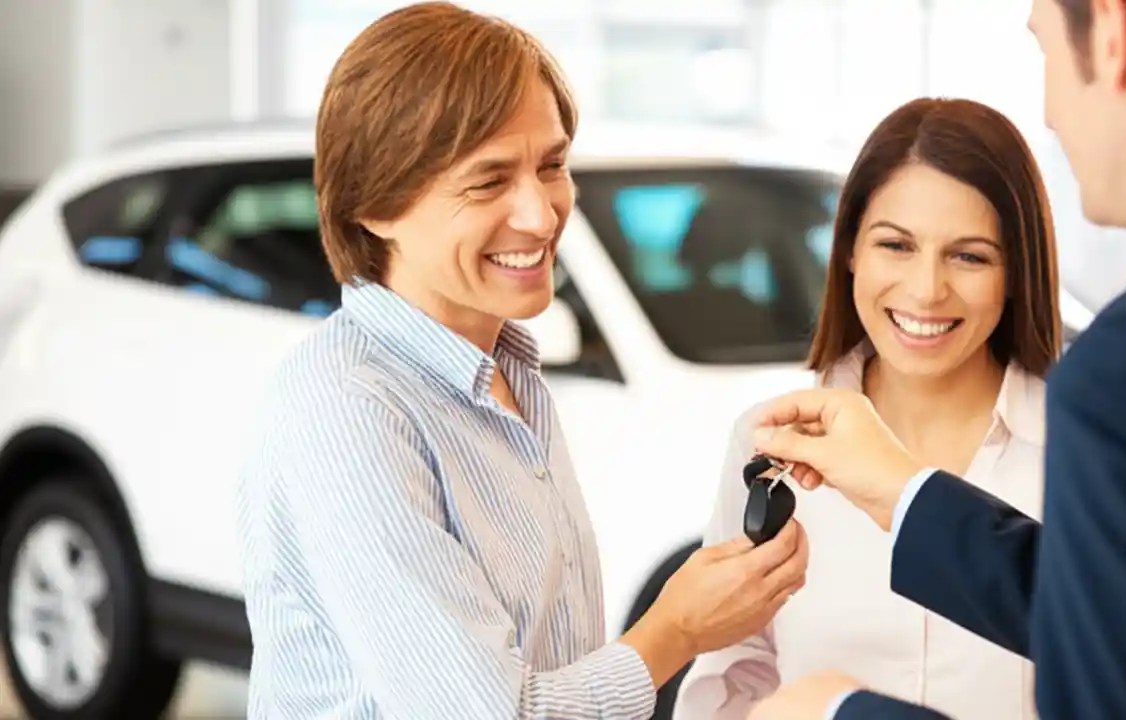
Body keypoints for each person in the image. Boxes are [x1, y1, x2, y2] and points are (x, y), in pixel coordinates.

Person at [234, 4, 809, 718]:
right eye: (488, 181)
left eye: (553, 166)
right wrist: (677, 629)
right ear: (375, 207)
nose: (541, 216)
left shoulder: (508, 372)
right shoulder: (346, 405)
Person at [745, 0, 1126, 718]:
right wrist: (905, 493)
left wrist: (841, 713)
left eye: (1044, 51)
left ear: (1113, 33)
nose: (1051, 114)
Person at [671, 97, 1060, 720]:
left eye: (969, 256)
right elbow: (731, 681)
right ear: (849, 248)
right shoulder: (771, 442)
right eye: (896, 245)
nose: (927, 289)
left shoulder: (1083, 454)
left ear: (1015, 272)